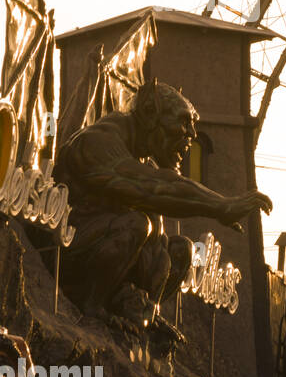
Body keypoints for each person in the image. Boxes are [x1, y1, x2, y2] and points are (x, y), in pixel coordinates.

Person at [53, 80, 272, 336]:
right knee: (136, 224)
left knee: (180, 250)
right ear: (149, 114)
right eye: (183, 121)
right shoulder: (98, 141)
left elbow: (162, 189)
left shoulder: (142, 158)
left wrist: (218, 206)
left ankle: (146, 311)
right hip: (66, 252)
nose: (191, 134)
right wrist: (220, 206)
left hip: (108, 256)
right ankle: (92, 305)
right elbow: (154, 187)